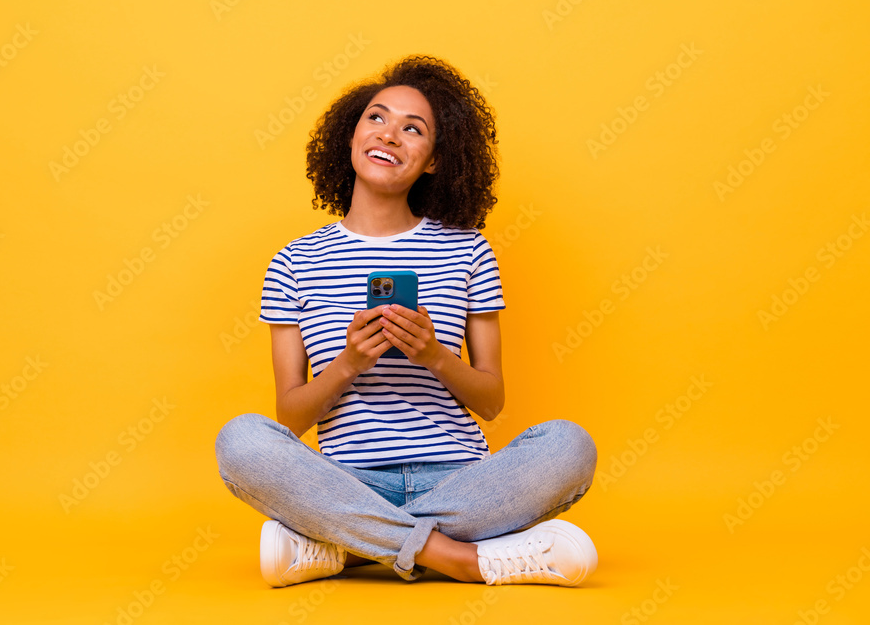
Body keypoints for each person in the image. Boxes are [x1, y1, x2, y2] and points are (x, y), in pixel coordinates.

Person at [215, 55, 598, 588]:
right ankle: (460, 558)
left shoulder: (468, 250)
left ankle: (347, 548)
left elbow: (491, 402)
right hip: (349, 482)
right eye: (377, 118)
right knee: (240, 441)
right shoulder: (293, 263)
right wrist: (349, 363)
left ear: (435, 161)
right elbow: (290, 417)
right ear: (351, 136)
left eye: (411, 129)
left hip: (464, 483)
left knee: (569, 445)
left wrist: (434, 355)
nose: (390, 135)